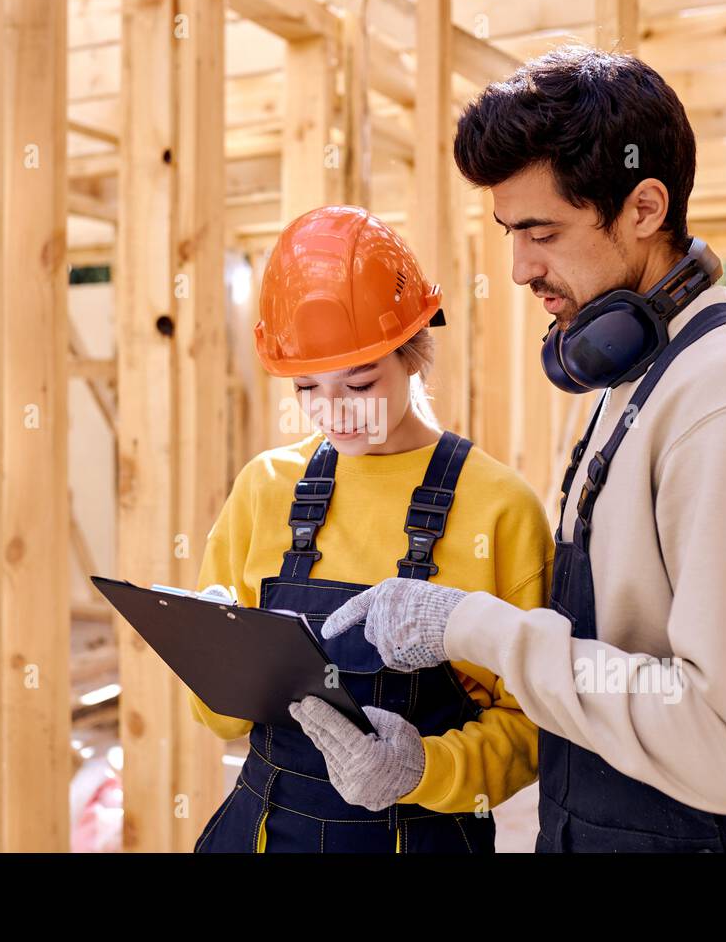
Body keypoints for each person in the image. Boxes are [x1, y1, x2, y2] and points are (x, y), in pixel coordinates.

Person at [303, 48, 726, 853]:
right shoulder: (640, 378)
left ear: (643, 207)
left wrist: (475, 626)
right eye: (508, 231)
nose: (520, 267)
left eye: (542, 231)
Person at [191, 205, 552, 853]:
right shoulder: (264, 488)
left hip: (421, 836)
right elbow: (222, 724)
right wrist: (210, 664)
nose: (334, 414)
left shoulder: (498, 508)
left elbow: (534, 727)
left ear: (414, 351)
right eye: (308, 388)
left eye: (359, 383)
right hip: (264, 827)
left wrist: (423, 770)